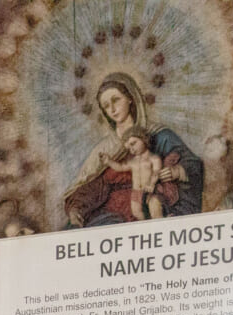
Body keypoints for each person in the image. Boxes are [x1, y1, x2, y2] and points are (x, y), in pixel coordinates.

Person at [62, 73, 203, 227]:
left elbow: (192, 164)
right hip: (108, 215)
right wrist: (76, 208)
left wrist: (177, 171)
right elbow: (93, 186)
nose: (113, 109)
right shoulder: (104, 149)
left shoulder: (159, 135)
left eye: (116, 100)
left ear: (130, 98)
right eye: (106, 106)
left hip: (148, 205)